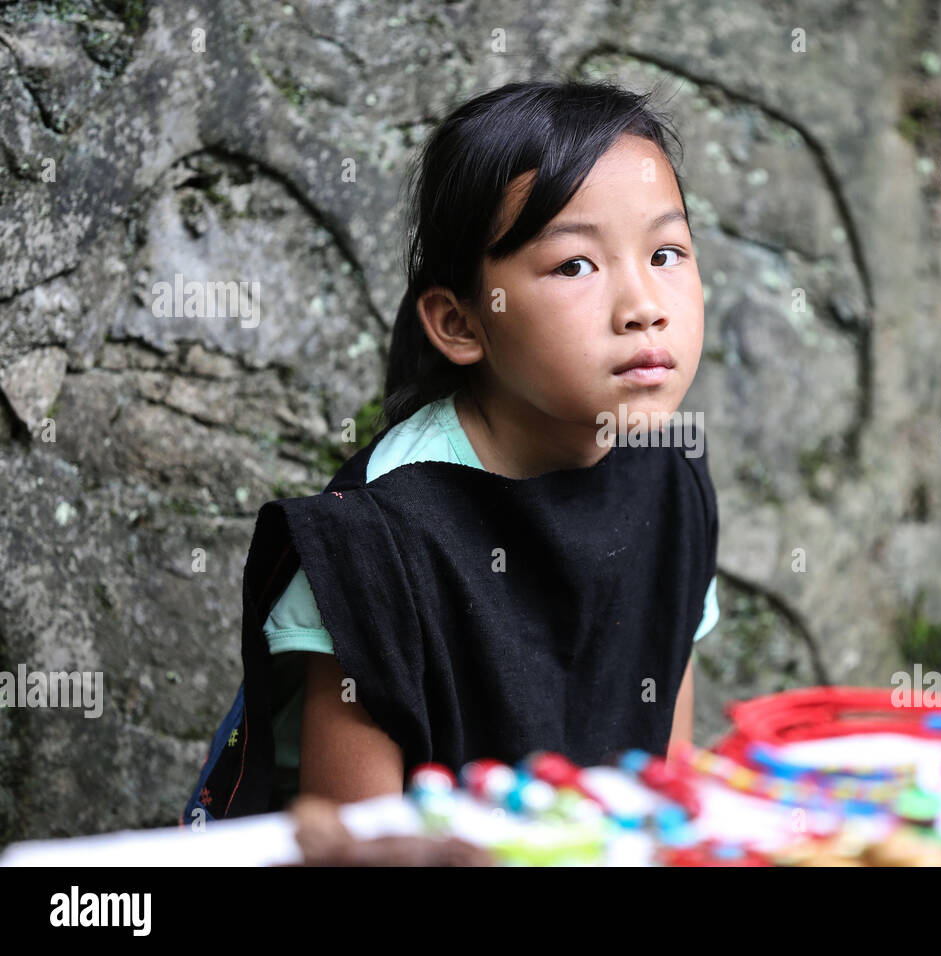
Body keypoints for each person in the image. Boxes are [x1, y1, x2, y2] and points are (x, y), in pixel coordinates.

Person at [181, 78, 720, 823]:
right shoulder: (374, 552)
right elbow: (360, 846)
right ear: (461, 322)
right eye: (575, 265)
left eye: (666, 253)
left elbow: (667, 786)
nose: (644, 307)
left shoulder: (674, 484)